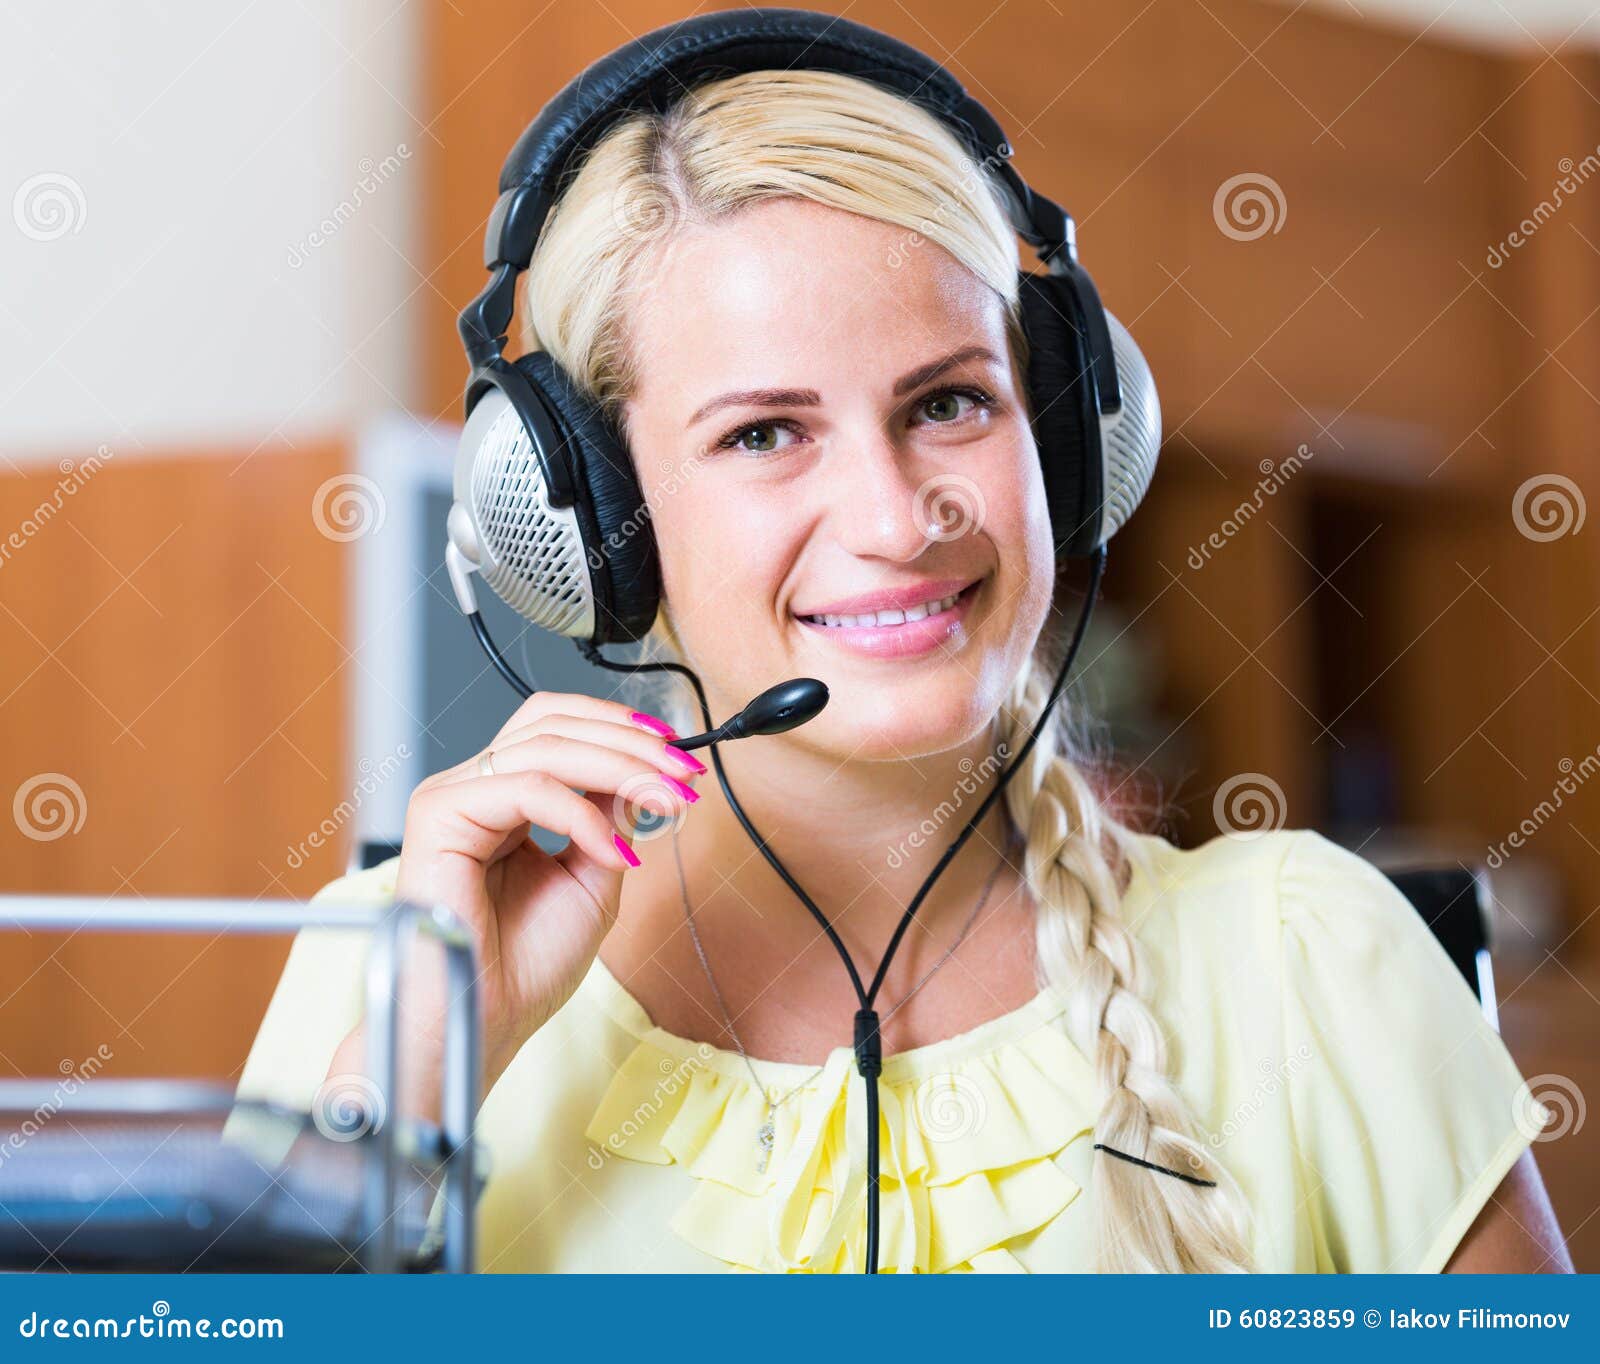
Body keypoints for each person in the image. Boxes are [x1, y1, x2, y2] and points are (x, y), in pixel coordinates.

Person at [229, 65, 1569, 1274]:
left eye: (948, 402)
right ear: (596, 516)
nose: (893, 518)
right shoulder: (404, 962)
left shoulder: (1311, 961)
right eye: (765, 434)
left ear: (1062, 436)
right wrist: (422, 1061)